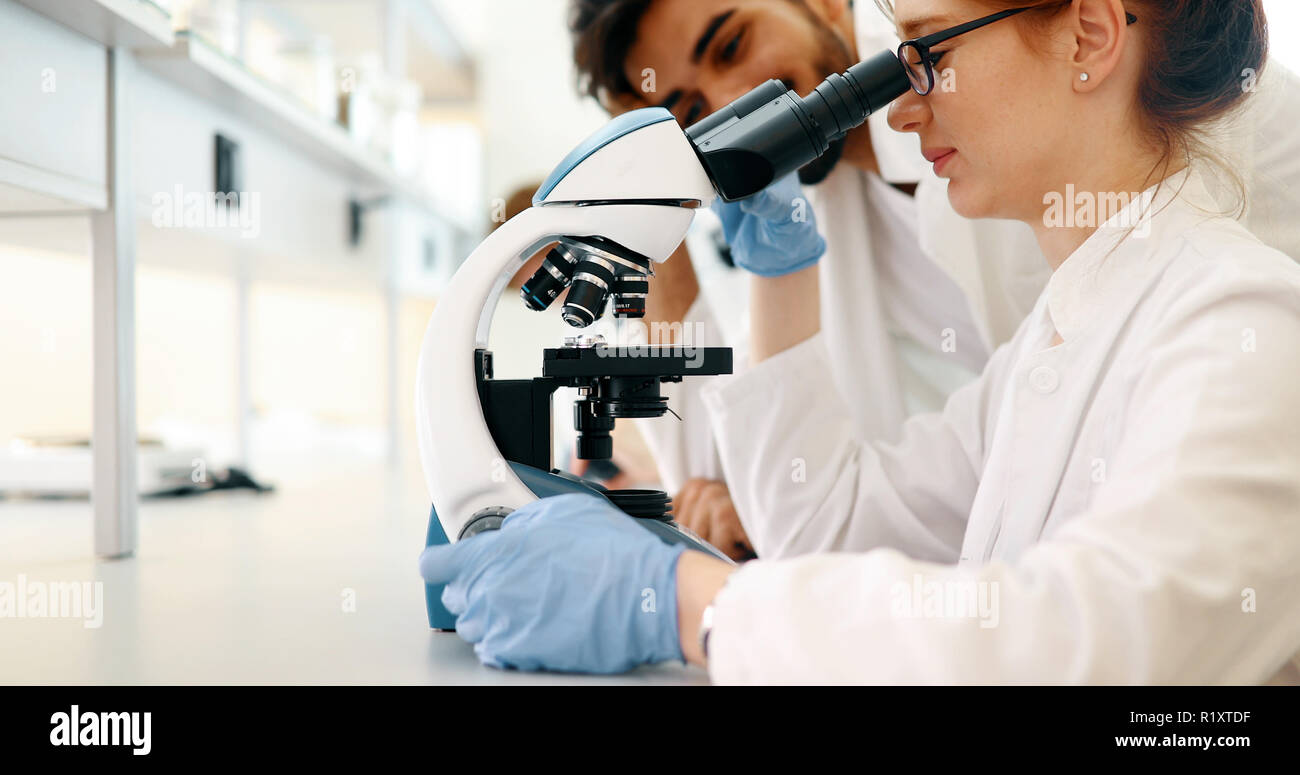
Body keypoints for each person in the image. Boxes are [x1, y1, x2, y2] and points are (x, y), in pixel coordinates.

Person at [421, 0, 1300, 683]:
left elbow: (1104, 647)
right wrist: (780, 271)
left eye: (932, 53)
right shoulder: (1056, 340)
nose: (903, 113)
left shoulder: (1242, 320)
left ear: (1090, 37)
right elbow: (823, 523)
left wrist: (692, 605)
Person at [567, 0, 1300, 561]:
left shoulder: (1225, 285)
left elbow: (1110, 618)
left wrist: (704, 613)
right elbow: (794, 513)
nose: (730, 102)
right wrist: (652, 196)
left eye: (731, 44)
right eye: (692, 108)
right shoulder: (805, 226)